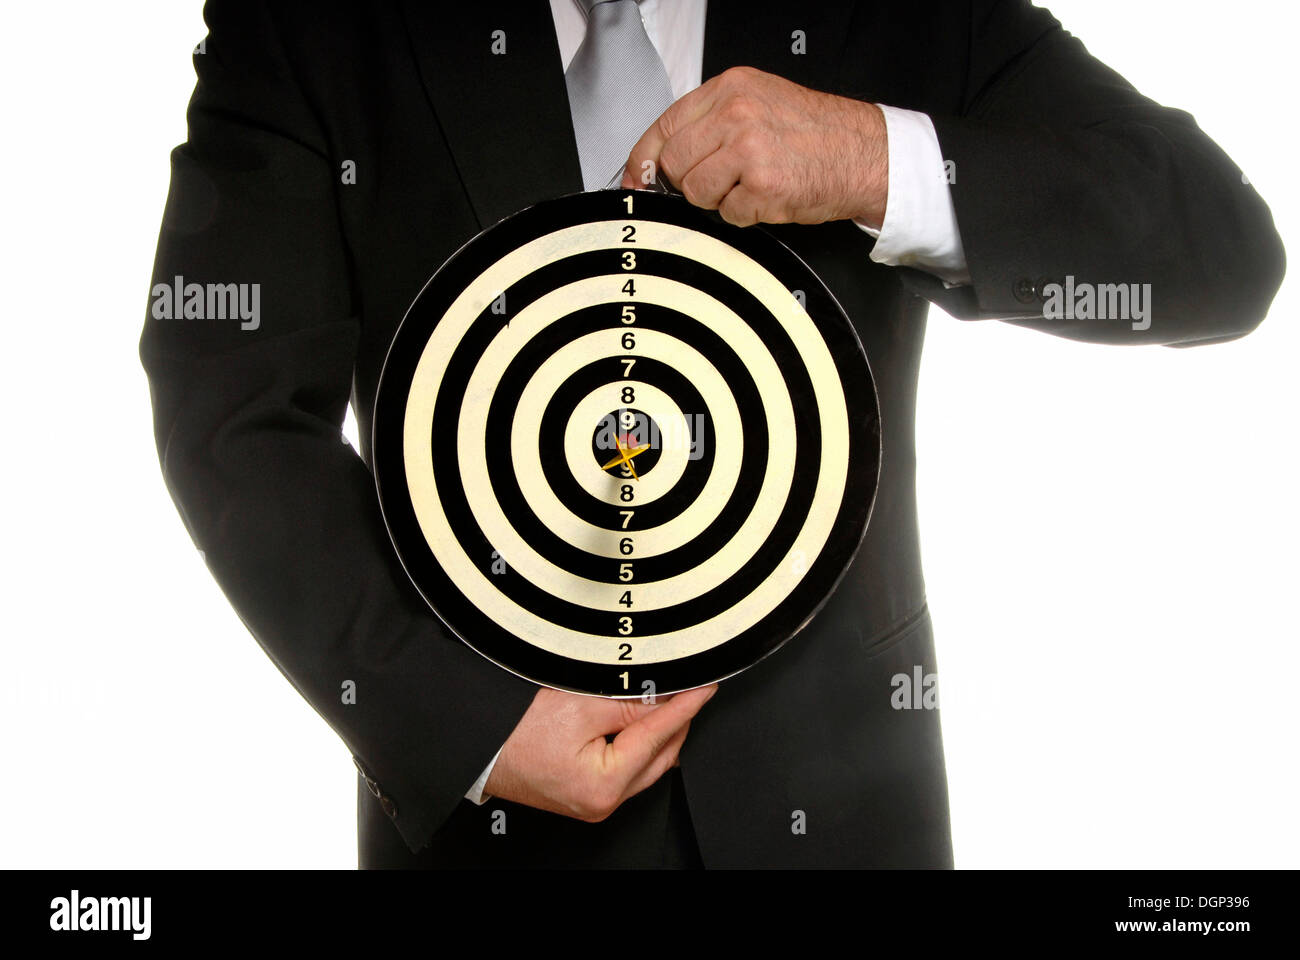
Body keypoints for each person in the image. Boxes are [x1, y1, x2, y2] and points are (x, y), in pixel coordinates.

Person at [139, 0, 1285, 869]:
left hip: (843, 816)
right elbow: (229, 396)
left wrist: (871, 157)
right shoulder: (311, 20)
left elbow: (1221, 253)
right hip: (483, 834)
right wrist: (464, 726)